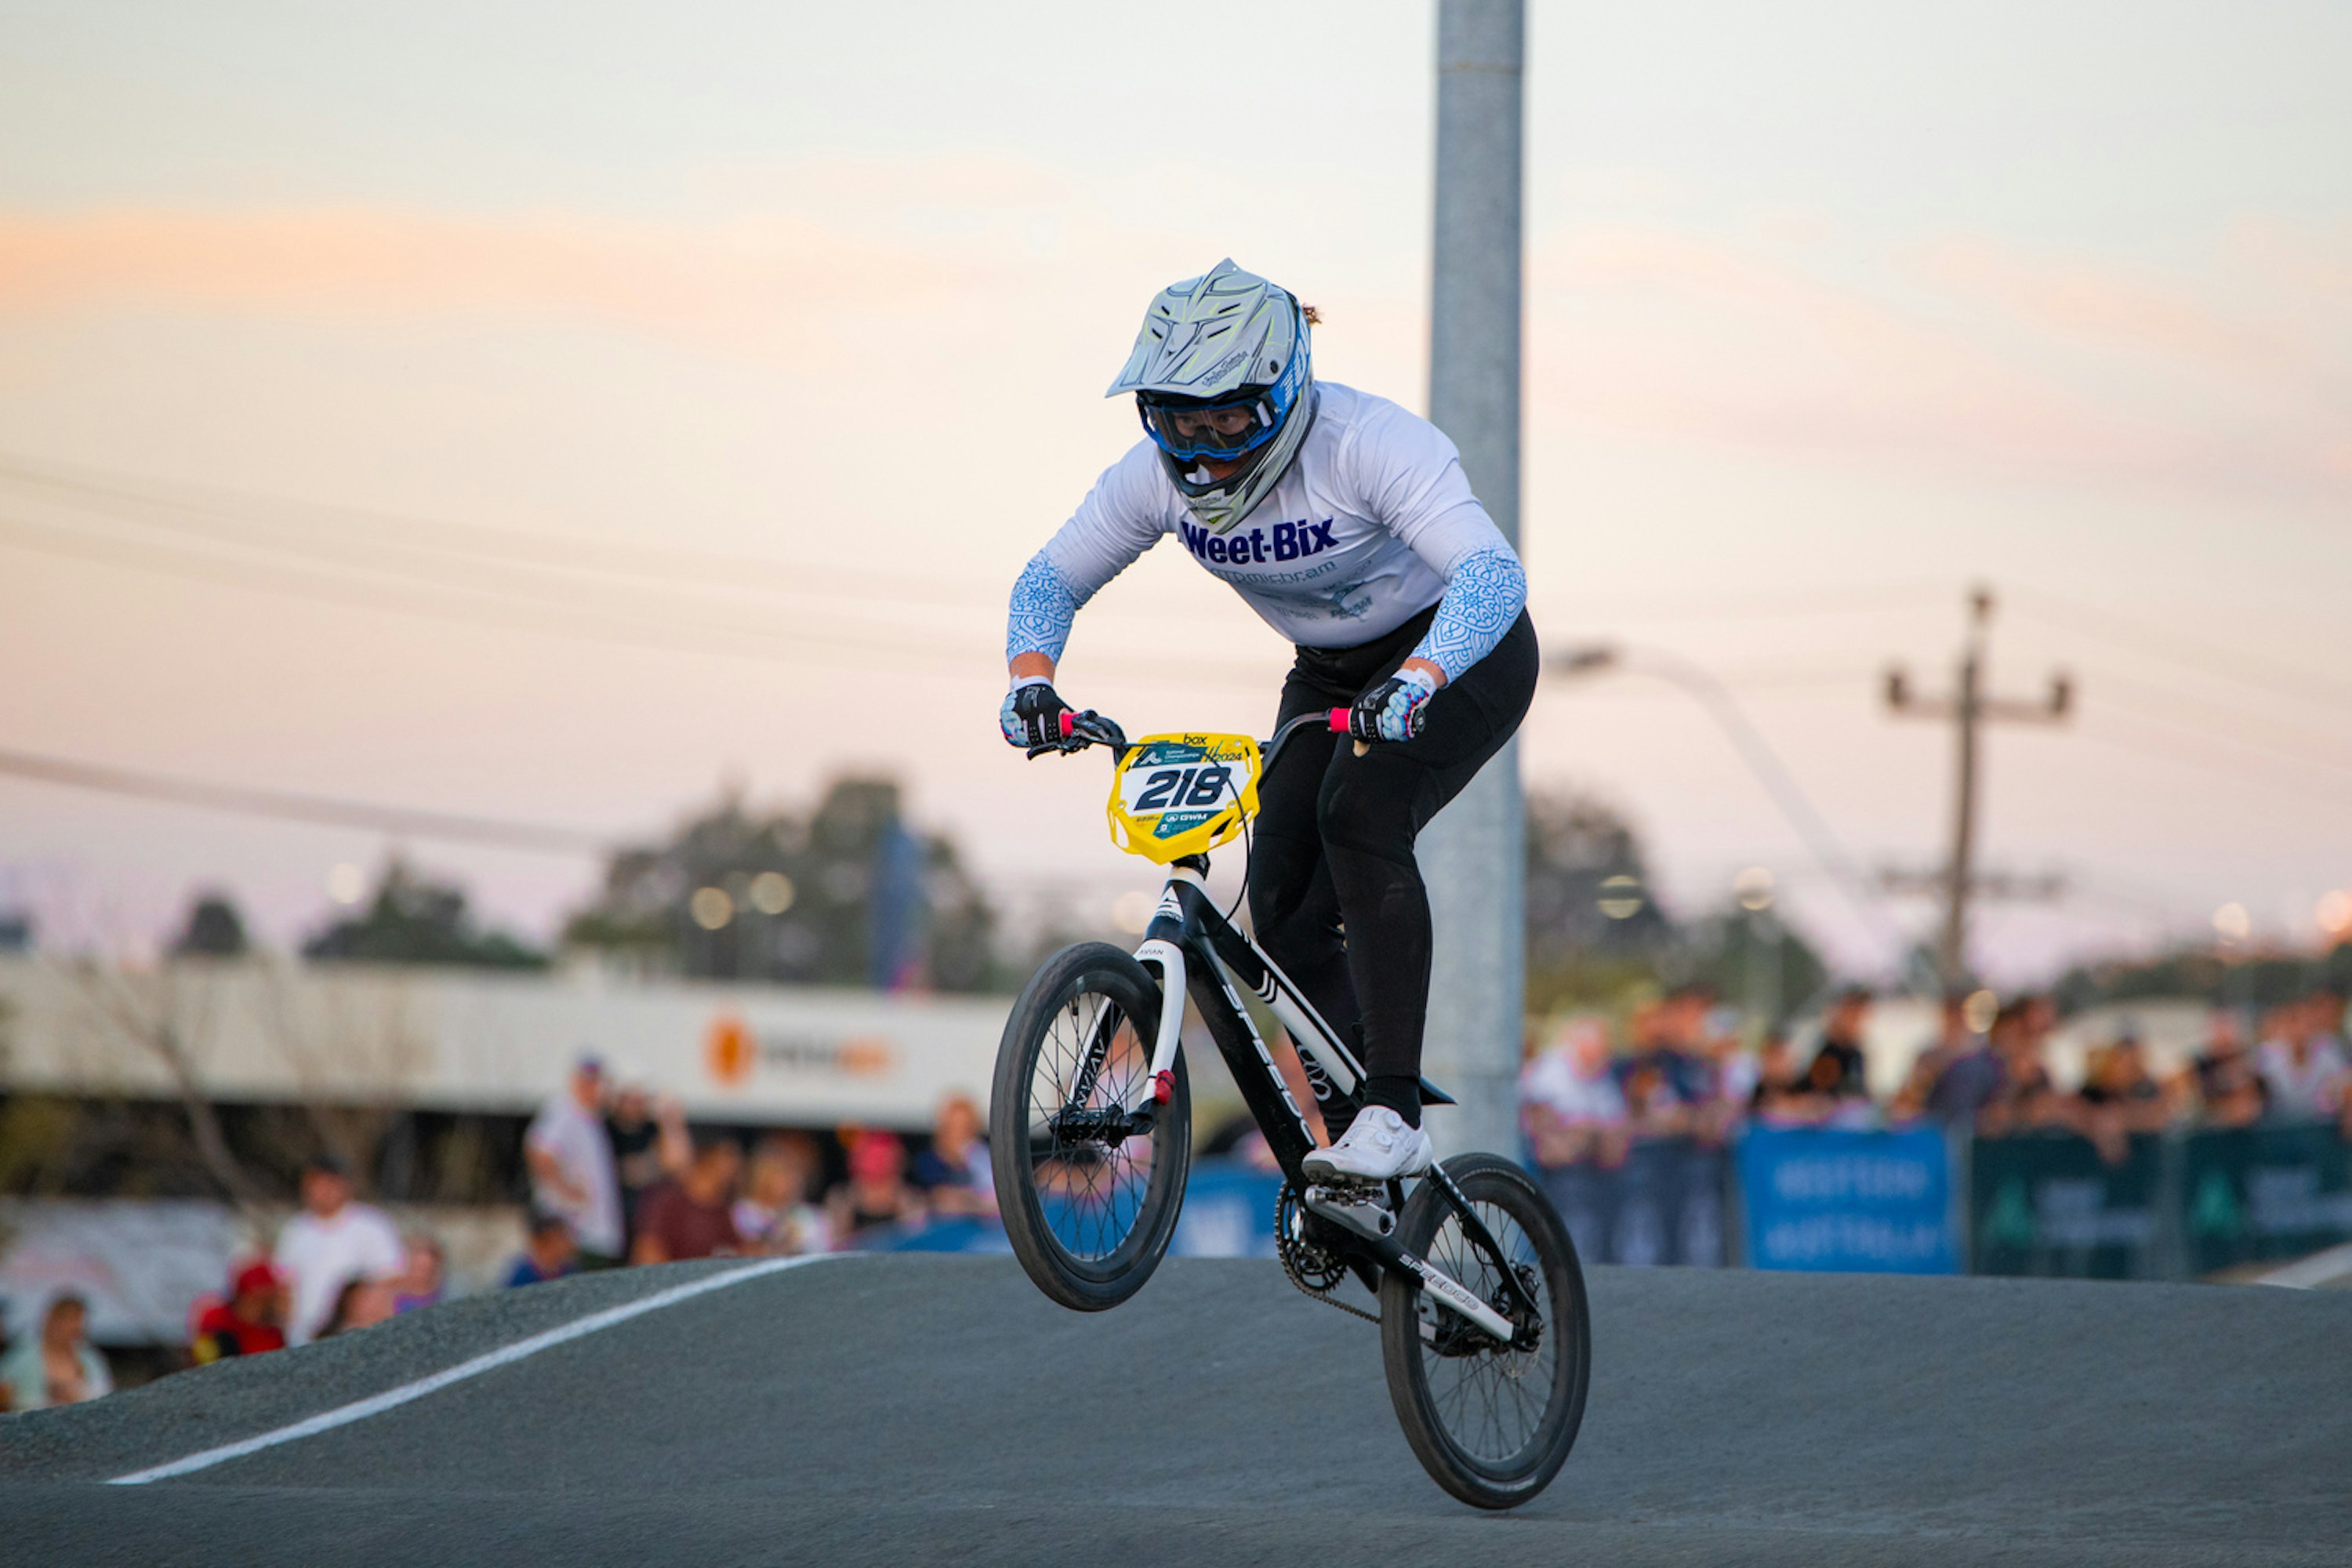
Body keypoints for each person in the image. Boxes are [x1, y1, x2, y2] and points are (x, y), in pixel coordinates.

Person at [1000, 260, 1537, 1182]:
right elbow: (1049, 579)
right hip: (1330, 671)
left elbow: (1493, 577)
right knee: (1280, 908)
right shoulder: (1152, 481)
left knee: (1358, 812)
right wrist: (1030, 681)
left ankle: (1394, 1110)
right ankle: (1353, 1131)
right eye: (1177, 424)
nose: (1202, 454)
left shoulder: (1368, 444)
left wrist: (1420, 676)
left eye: (1226, 424)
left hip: (1459, 650)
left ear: (1284, 396)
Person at [274, 1153, 405, 1346]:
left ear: (345, 1185)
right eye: (314, 1184)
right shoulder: (295, 1231)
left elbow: (389, 1278)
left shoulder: (372, 1225)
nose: (321, 1191)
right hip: (304, 1338)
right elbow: (285, 1285)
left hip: (356, 1337)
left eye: (329, 1183)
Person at [525, 1055, 626, 1267]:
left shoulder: (590, 1118)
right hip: (579, 1233)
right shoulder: (564, 1112)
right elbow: (541, 1154)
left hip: (597, 1235)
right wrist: (566, 1190)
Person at [631, 1137, 744, 1264]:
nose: (736, 1164)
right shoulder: (667, 1199)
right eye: (728, 1156)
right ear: (708, 1157)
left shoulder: (722, 1206)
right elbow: (647, 1252)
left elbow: (738, 1249)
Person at [606, 1083, 690, 1248]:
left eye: (639, 1100)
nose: (634, 1106)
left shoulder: (650, 1129)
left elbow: (679, 1164)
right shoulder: (607, 1129)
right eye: (630, 1100)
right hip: (615, 1215)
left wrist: (670, 1121)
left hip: (643, 1215)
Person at [0, 1294, 111, 1412]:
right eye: (65, 1319)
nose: (69, 1326)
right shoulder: (20, 1359)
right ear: (50, 1320)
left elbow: (105, 1402)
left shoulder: (90, 1361)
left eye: (75, 1320)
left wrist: (76, 1398)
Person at [733, 1133, 832, 1256]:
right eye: (785, 1172)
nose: (795, 1179)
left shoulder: (811, 1217)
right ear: (764, 1173)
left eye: (798, 1171)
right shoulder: (740, 1213)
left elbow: (822, 1260)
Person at [826, 1130, 925, 1243]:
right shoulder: (842, 1198)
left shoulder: (910, 1200)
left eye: (883, 1182)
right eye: (870, 1183)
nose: (876, 1191)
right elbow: (833, 1244)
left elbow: (915, 1241)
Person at [911, 1094, 996, 1219]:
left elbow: (992, 1197)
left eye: (965, 1127)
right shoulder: (926, 1162)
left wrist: (968, 1200)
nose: (959, 1134)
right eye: (953, 1127)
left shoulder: (981, 1158)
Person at [191, 1261, 287, 1364]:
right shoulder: (218, 1319)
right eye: (255, 1298)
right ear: (241, 1296)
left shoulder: (273, 1335)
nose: (262, 1304)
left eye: (267, 1298)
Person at [505, 1212, 580, 1287]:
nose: (569, 1243)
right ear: (541, 1242)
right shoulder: (522, 1276)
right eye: (560, 1239)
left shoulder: (568, 1269)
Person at [316, 1276, 395, 1338]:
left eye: (382, 1300)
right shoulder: (333, 1338)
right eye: (366, 1298)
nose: (378, 1305)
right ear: (349, 1302)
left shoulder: (390, 1333)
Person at [390, 1235, 445, 1316]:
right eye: (418, 1267)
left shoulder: (445, 1295)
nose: (422, 1275)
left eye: (427, 1269)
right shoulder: (389, 1293)